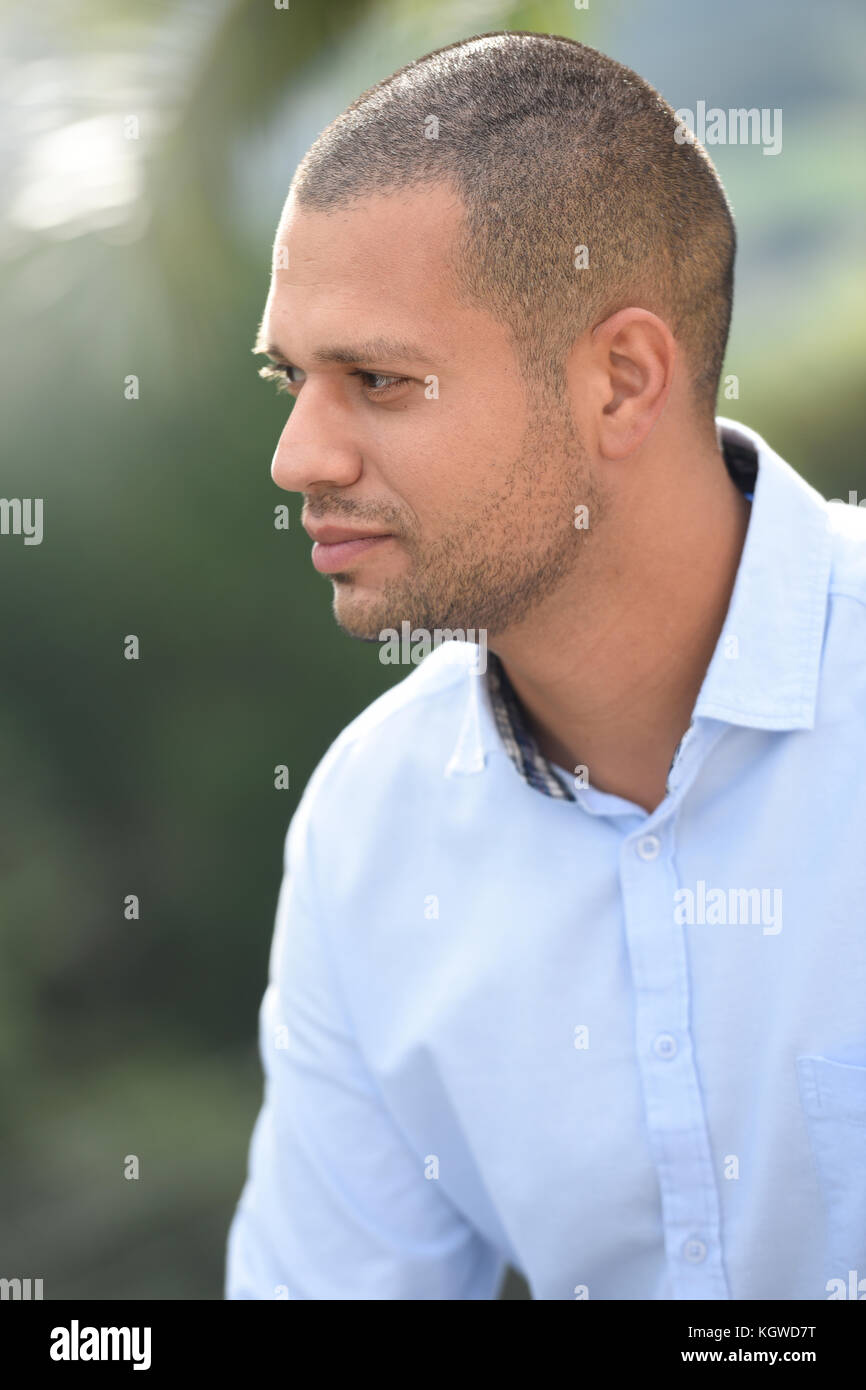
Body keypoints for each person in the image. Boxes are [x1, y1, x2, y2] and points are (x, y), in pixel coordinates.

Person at [225, 32, 866, 1300]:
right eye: (292, 378)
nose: (298, 456)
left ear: (620, 381)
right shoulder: (369, 833)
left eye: (378, 380)